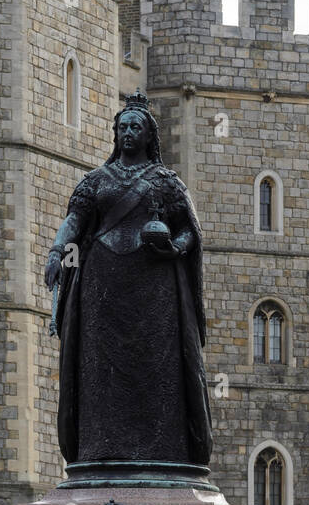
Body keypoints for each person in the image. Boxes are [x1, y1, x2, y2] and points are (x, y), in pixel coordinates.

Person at [43, 92, 212, 482]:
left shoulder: (166, 183)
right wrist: (56, 251)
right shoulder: (95, 181)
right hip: (103, 286)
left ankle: (162, 450)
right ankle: (101, 448)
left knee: (157, 367)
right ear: (116, 134)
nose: (128, 133)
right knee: (101, 370)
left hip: (155, 290)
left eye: (136, 127)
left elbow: (191, 231)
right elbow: (74, 221)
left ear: (148, 134)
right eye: (123, 128)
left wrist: (173, 247)